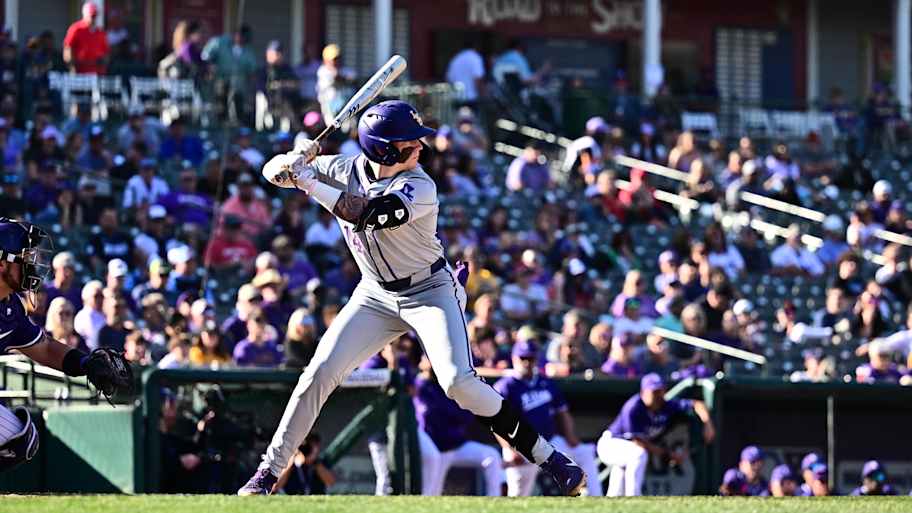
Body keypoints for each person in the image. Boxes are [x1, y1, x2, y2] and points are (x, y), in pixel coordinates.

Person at [240, 100, 587, 496]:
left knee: (458, 382)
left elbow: (369, 214)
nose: (420, 148)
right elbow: (271, 172)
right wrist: (293, 159)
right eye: (409, 143)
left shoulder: (420, 184)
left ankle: (549, 458)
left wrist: (307, 179)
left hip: (431, 290)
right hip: (374, 293)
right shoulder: (340, 169)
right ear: (384, 149)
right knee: (317, 374)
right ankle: (268, 473)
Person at [0, 218, 130, 473]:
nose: (31, 266)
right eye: (24, 259)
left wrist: (85, 363)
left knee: (22, 440)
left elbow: (46, 349)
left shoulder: (10, 306)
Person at [494, 340, 602, 496]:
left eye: (530, 358)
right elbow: (496, 422)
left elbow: (562, 412)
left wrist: (571, 437)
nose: (526, 362)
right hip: (522, 447)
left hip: (549, 441)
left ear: (536, 359)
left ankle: (596, 499)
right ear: (514, 358)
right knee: (518, 496)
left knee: (584, 452)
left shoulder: (545, 382)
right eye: (522, 358)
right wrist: (509, 448)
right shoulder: (506, 386)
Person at [597, 373, 715, 496]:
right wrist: (668, 455)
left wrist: (708, 425)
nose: (658, 395)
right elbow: (638, 442)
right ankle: (633, 496)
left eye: (660, 391)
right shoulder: (633, 407)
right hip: (611, 445)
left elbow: (697, 404)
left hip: (628, 449)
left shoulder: (666, 405)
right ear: (643, 392)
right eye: (654, 392)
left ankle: (614, 500)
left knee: (618, 483)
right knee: (638, 453)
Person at [414, 361, 505, 496]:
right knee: (432, 494)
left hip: (457, 446)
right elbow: (430, 414)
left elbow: (467, 416)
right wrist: (455, 412)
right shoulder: (422, 386)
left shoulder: (455, 385)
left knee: (491, 456)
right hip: (436, 450)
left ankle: (495, 500)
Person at [62, 2, 109, 74]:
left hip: (97, 73)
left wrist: (104, 62)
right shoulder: (76, 29)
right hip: (80, 73)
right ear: (85, 15)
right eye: (92, 16)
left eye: (95, 16)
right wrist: (72, 67)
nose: (93, 18)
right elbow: (68, 48)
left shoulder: (100, 32)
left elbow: (106, 53)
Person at [445, 40, 485, 105]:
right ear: (475, 47)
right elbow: (478, 78)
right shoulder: (475, 58)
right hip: (471, 98)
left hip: (456, 98)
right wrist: (482, 94)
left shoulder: (456, 58)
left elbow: (449, 78)